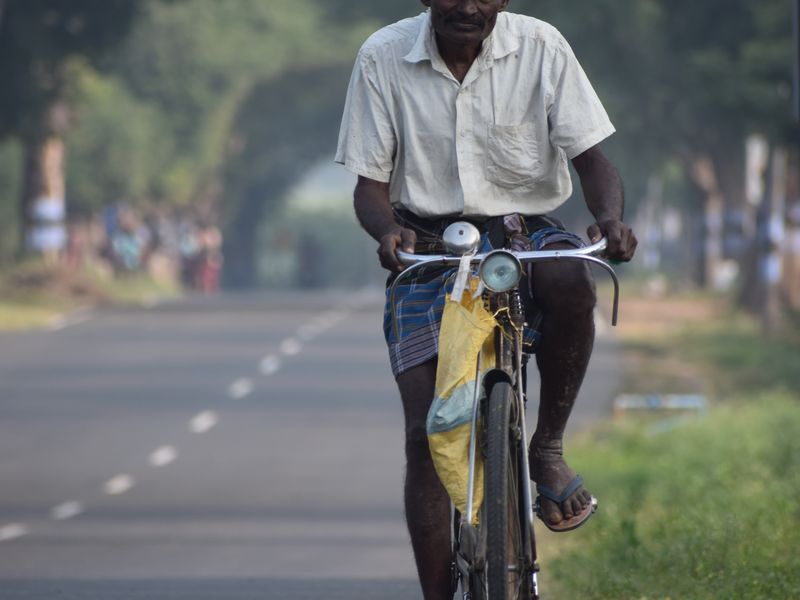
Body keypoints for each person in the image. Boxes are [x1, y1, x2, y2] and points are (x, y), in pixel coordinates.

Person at [335, 2, 638, 598]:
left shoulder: (542, 46)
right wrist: (387, 231)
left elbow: (593, 160)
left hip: (525, 232)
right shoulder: (381, 56)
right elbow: (369, 187)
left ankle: (547, 447)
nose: (468, 6)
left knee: (573, 280)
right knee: (425, 435)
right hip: (428, 244)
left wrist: (610, 219)